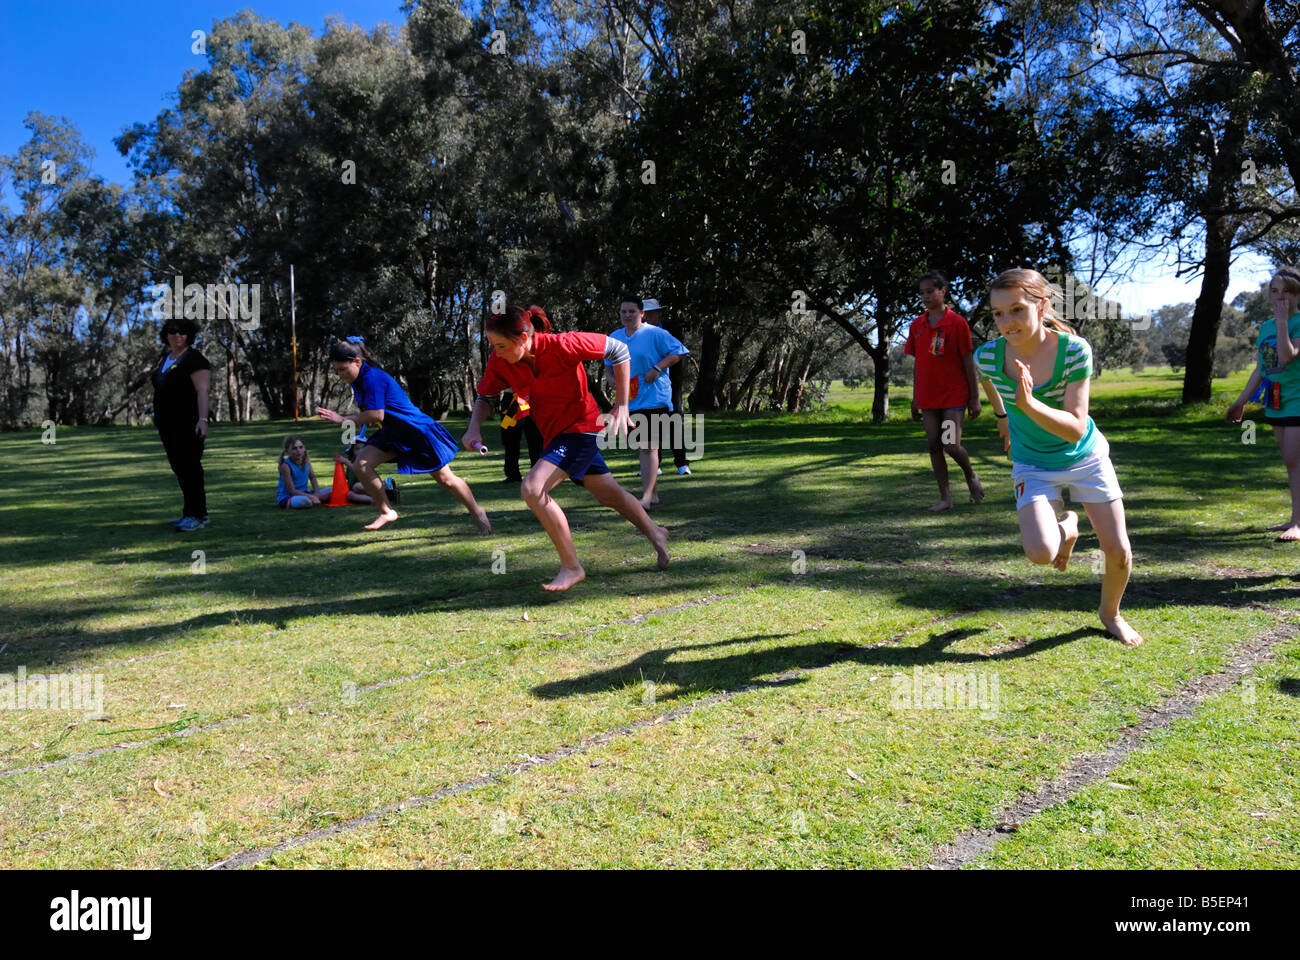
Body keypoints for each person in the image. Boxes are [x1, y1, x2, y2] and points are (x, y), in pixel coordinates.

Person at [976, 268, 1142, 647]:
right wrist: (1003, 416)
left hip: (1085, 457)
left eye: (1017, 309)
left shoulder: (1073, 351)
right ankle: (1069, 526)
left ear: (1043, 305)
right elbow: (988, 380)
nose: (1006, 322)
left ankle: (1110, 613)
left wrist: (1029, 404)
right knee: (1040, 553)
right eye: (998, 314)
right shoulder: (987, 356)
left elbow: (1076, 428)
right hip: (1032, 462)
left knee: (1116, 550)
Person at [463, 304, 670, 591]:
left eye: (500, 345)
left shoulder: (564, 344)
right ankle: (656, 533)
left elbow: (619, 350)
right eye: (492, 346)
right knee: (610, 495)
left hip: (581, 429)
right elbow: (485, 395)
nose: (496, 353)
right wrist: (474, 427)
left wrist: (621, 405)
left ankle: (572, 566)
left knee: (533, 489)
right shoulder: (501, 361)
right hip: (554, 436)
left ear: (523, 338)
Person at [318, 339, 490, 533]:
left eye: (343, 369)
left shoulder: (372, 378)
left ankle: (478, 512)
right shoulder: (358, 381)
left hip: (417, 431)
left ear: (357, 361)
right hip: (393, 432)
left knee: (446, 480)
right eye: (337, 370)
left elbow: (376, 414)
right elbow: (375, 416)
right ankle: (386, 511)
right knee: (361, 465)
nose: (340, 375)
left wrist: (343, 419)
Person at [1226, 265, 1300, 541]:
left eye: (1287, 292)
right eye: (1275, 291)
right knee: (1291, 462)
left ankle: (1298, 523)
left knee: (1295, 460)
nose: (1281, 297)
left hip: (1298, 400)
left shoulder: (1296, 322)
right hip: (1276, 402)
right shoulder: (1266, 327)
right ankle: (1295, 519)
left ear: (1297, 295)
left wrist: (1283, 322)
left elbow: (1287, 356)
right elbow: (1262, 368)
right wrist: (1240, 402)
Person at [905, 270, 984, 511]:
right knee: (933, 445)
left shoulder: (957, 323)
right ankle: (945, 498)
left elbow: (967, 361)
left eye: (930, 292)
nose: (926, 297)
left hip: (953, 396)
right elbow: (918, 365)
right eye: (922, 293)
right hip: (928, 397)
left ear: (943, 291)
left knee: (950, 444)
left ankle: (970, 475)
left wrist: (974, 397)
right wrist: (915, 398)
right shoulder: (916, 325)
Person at [604, 295, 690, 509]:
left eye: (632, 311)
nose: (627, 315)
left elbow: (678, 352)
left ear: (642, 313)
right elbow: (607, 364)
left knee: (648, 446)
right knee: (642, 448)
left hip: (655, 398)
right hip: (630, 400)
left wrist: (657, 368)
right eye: (623, 311)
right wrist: (614, 380)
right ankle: (652, 494)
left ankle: (647, 496)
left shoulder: (655, 333)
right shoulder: (615, 337)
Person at [152, 318, 211, 532]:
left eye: (183, 332)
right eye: (173, 331)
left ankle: (198, 515)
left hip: (189, 422)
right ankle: (190, 512)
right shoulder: (165, 358)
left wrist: (202, 420)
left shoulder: (195, 359)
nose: (178, 336)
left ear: (190, 336)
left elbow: (202, 391)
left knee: (190, 468)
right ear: (166, 334)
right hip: (167, 424)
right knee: (179, 468)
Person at [643, 298, 692, 475]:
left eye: (652, 313)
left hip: (669, 384)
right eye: (646, 314)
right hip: (646, 386)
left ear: (658, 313)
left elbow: (678, 354)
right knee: (649, 425)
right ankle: (654, 465)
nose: (649, 317)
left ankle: (682, 463)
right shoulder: (638, 333)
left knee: (674, 420)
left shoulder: (671, 330)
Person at [276, 435, 372, 508]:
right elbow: (291, 490)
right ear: (287, 451)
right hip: (289, 498)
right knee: (307, 501)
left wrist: (317, 493)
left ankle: (317, 499)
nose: (298, 451)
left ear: (304, 448)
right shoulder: (285, 466)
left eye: (301, 447)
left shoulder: (306, 461)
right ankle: (316, 500)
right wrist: (311, 497)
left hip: (306, 492)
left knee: (336, 491)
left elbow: (312, 477)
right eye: (294, 448)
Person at [498, 388, 543, 482]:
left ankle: (537, 474)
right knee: (509, 438)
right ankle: (512, 474)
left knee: (535, 439)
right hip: (511, 399)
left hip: (531, 397)